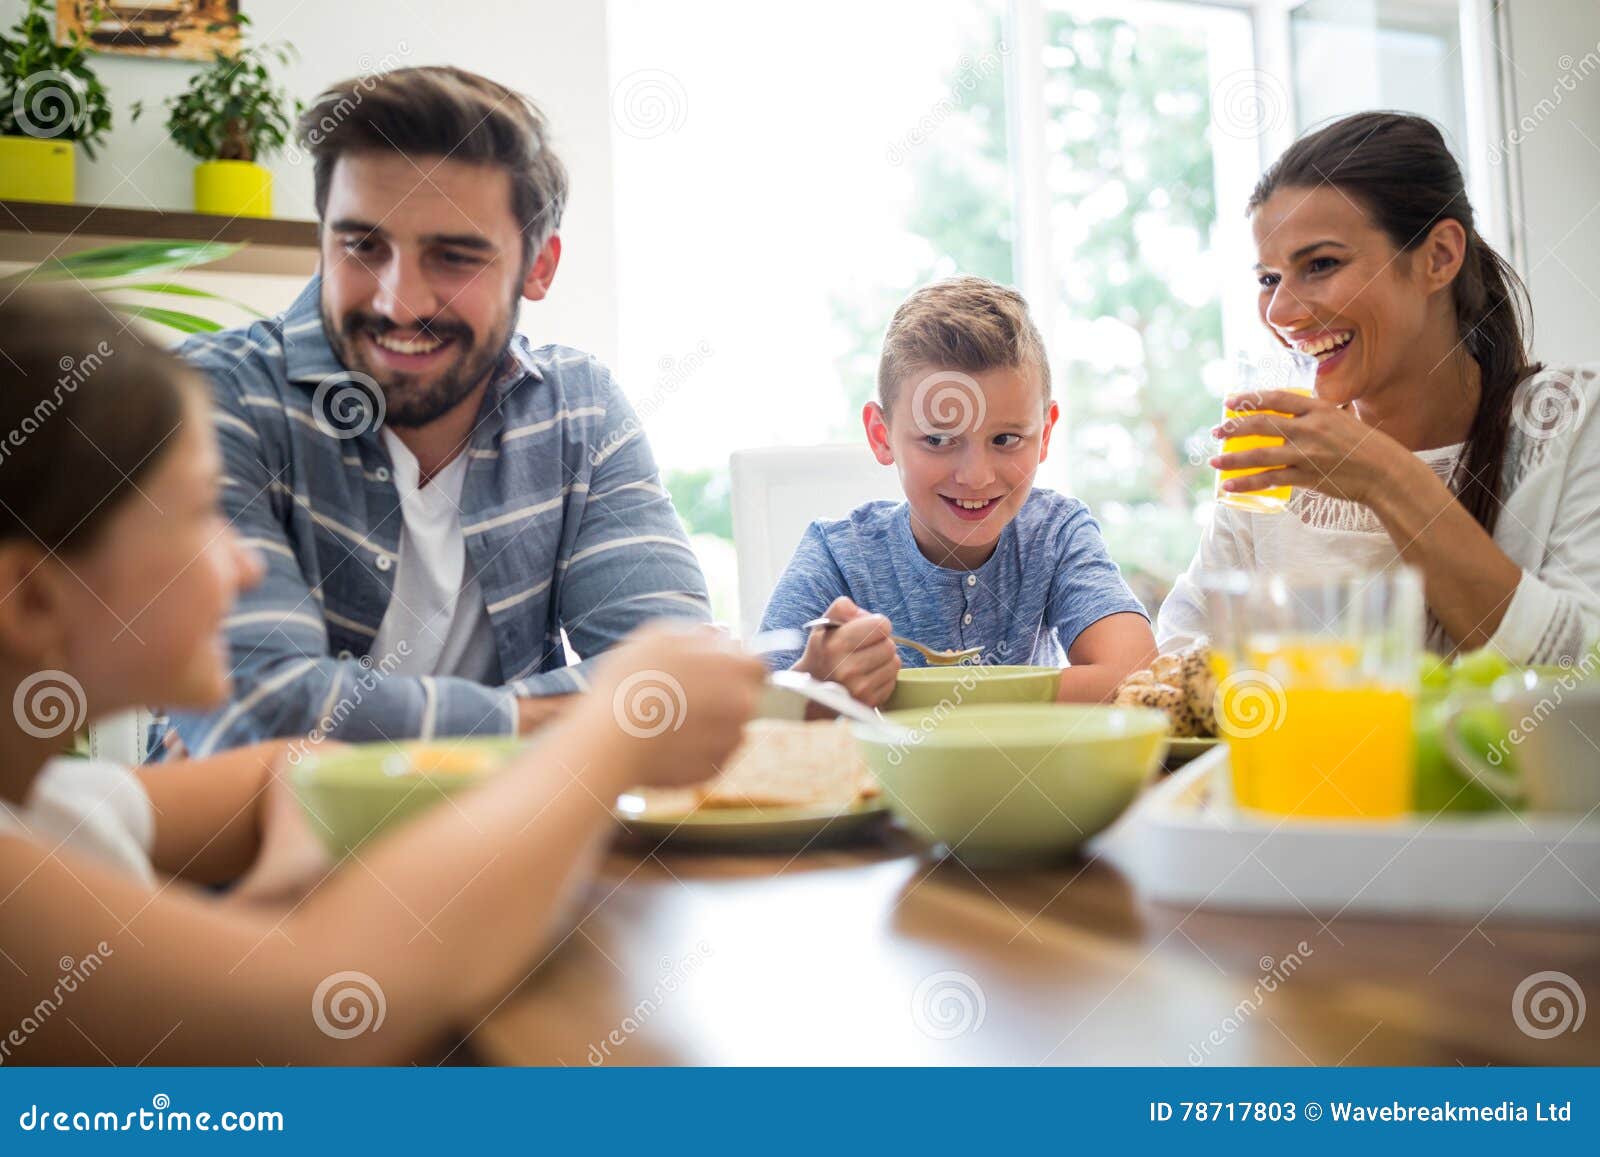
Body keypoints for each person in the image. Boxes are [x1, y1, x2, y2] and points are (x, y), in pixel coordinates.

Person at [0, 289, 768, 1064]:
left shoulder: (54, 806)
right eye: (202, 514)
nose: (247, 561)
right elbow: (330, 1008)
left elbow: (288, 764)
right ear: (31, 598)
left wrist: (284, 889)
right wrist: (611, 728)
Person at [167, 66, 709, 759]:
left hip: (514, 849)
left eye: (454, 258)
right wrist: (561, 720)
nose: (400, 303)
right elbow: (254, 711)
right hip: (246, 862)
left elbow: (671, 676)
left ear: (539, 267)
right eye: (363, 247)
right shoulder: (212, 396)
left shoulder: (580, 411)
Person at [1158, 112, 1600, 663]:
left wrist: (1385, 477)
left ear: (1439, 257)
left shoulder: (1570, 421)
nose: (1281, 311)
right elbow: (1180, 655)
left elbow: (1582, 676)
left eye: (1321, 264)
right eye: (1268, 278)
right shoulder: (1277, 459)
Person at [759, 276, 1155, 706]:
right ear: (881, 435)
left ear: (1045, 434)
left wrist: (926, 702)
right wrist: (813, 688)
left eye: (1005, 440)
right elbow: (753, 721)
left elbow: (1137, 678)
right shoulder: (837, 554)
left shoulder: (1056, 533)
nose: (976, 477)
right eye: (937, 440)